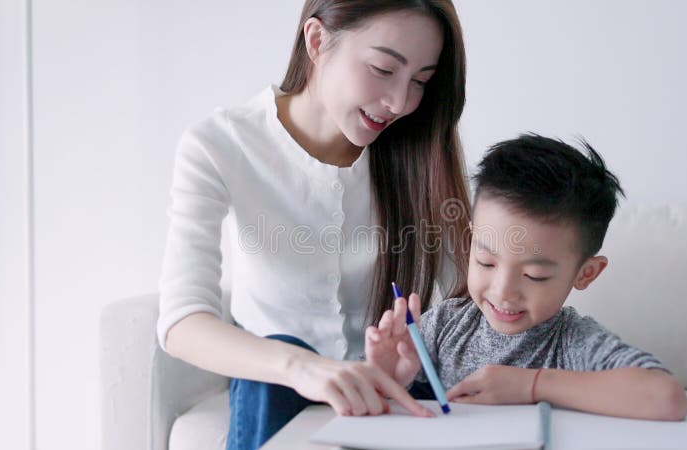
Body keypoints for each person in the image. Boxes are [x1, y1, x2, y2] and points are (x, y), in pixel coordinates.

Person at [157, 1, 473, 448]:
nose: (400, 102)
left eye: (420, 81)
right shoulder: (220, 144)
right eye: (384, 69)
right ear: (317, 40)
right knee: (273, 373)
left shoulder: (419, 156)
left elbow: (474, 298)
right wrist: (299, 366)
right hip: (278, 385)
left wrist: (410, 359)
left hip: (391, 387)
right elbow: (182, 322)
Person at [366, 134, 687, 421]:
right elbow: (378, 405)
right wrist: (388, 378)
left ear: (585, 273)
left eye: (534, 276)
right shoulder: (444, 326)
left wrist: (532, 385)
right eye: (486, 262)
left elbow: (667, 398)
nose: (503, 291)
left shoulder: (572, 342)